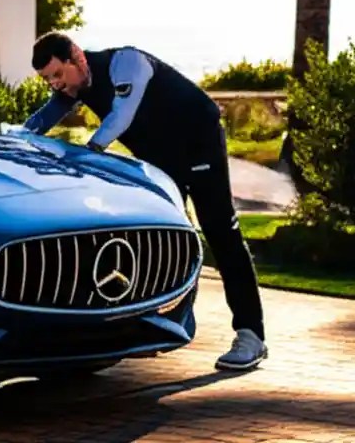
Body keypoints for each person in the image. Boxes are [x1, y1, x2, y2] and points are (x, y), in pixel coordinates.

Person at [22, 31, 268, 371]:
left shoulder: (126, 63)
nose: (56, 85)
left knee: (220, 231)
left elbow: (120, 116)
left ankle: (251, 335)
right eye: (48, 80)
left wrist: (90, 153)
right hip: (161, 156)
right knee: (165, 239)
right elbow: (41, 120)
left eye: (58, 75)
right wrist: (14, 141)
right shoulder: (73, 87)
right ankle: (162, 323)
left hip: (198, 141)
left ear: (76, 56)